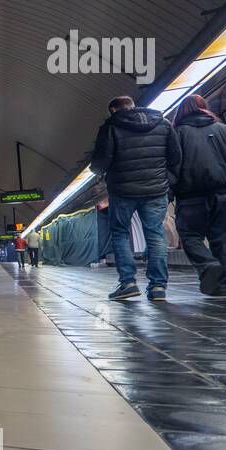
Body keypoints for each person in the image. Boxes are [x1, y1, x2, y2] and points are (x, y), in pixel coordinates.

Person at [90, 95, 182, 301]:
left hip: (123, 191)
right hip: (156, 190)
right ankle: (158, 287)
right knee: (155, 235)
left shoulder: (111, 127)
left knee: (120, 234)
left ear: (114, 110)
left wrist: (100, 170)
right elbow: (176, 158)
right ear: (133, 107)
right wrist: (165, 181)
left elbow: (99, 164)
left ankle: (128, 283)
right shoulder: (163, 123)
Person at [171, 94, 226, 296]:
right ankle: (221, 287)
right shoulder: (224, 130)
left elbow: (173, 167)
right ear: (204, 107)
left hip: (190, 196)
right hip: (223, 194)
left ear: (181, 111)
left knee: (189, 236)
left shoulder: (177, 133)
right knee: (223, 240)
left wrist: (169, 193)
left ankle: (207, 264)